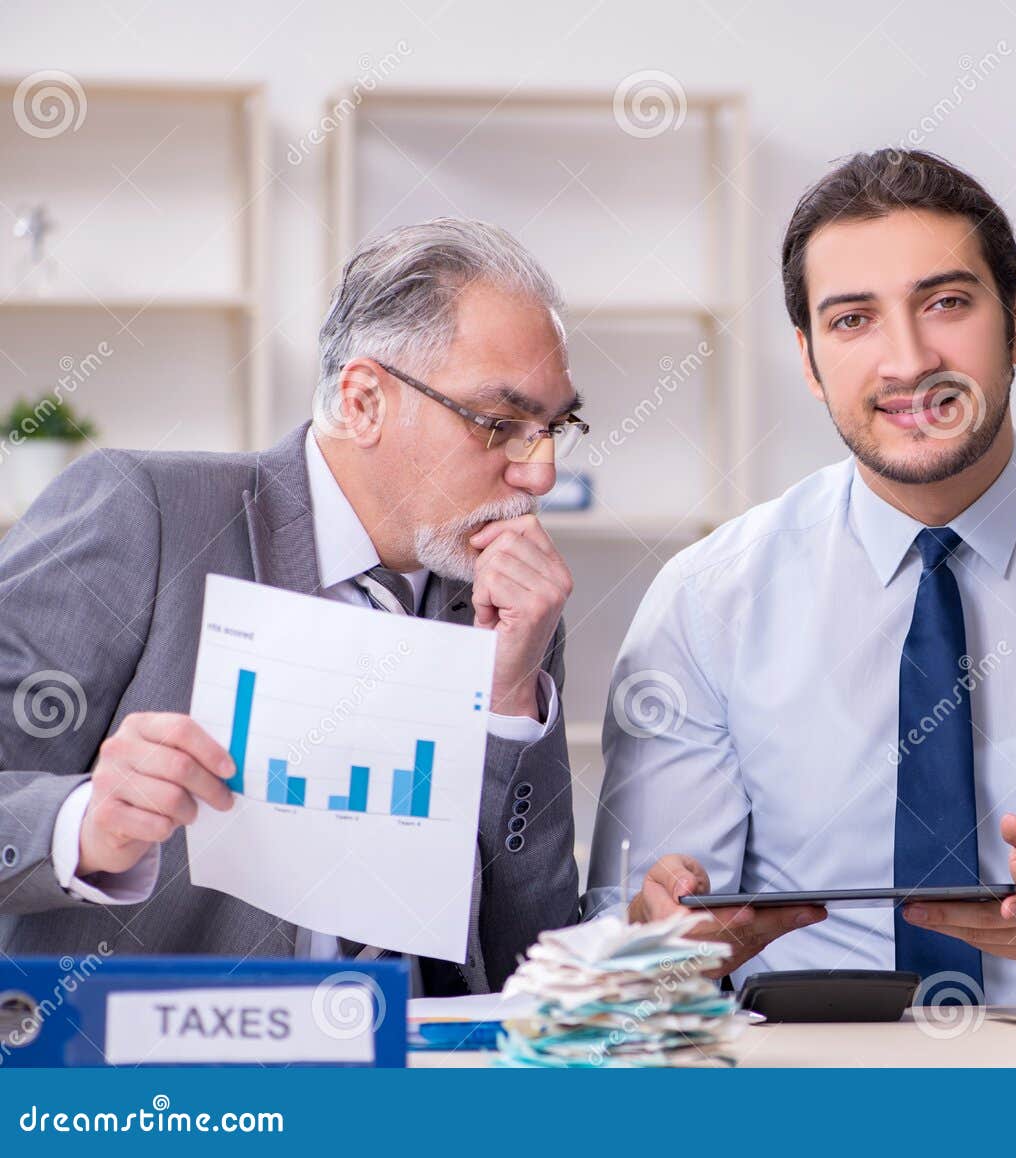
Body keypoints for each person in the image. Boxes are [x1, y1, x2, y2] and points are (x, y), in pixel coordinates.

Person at [587, 150, 1016, 1005]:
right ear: (810, 362)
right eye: (853, 320)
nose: (907, 360)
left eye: (947, 303)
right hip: (808, 1069)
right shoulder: (708, 601)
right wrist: (665, 949)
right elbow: (635, 950)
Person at [0, 218, 585, 994]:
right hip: (154, 1057)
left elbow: (532, 958)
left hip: (418, 1060)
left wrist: (511, 703)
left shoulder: (508, 612)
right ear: (365, 401)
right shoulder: (148, 514)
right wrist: (80, 822)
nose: (540, 475)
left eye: (555, 427)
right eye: (500, 425)